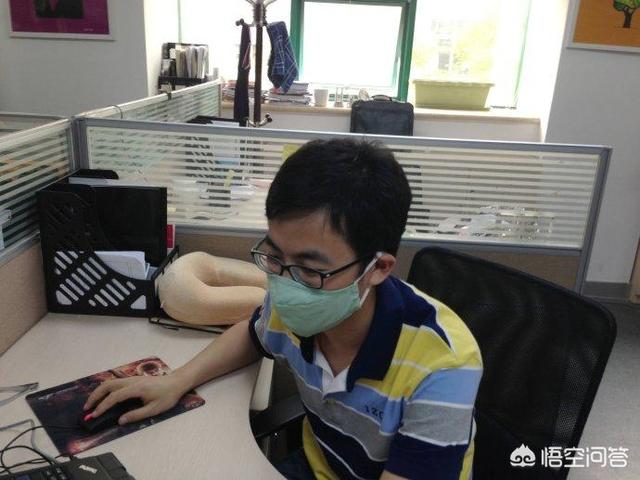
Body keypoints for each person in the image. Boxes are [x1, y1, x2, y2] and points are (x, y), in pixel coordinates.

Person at [85, 138, 483, 480]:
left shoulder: (444, 366)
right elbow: (253, 334)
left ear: (378, 268)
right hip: (318, 464)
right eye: (274, 256)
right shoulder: (296, 301)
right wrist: (176, 381)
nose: (285, 283)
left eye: (310, 269)